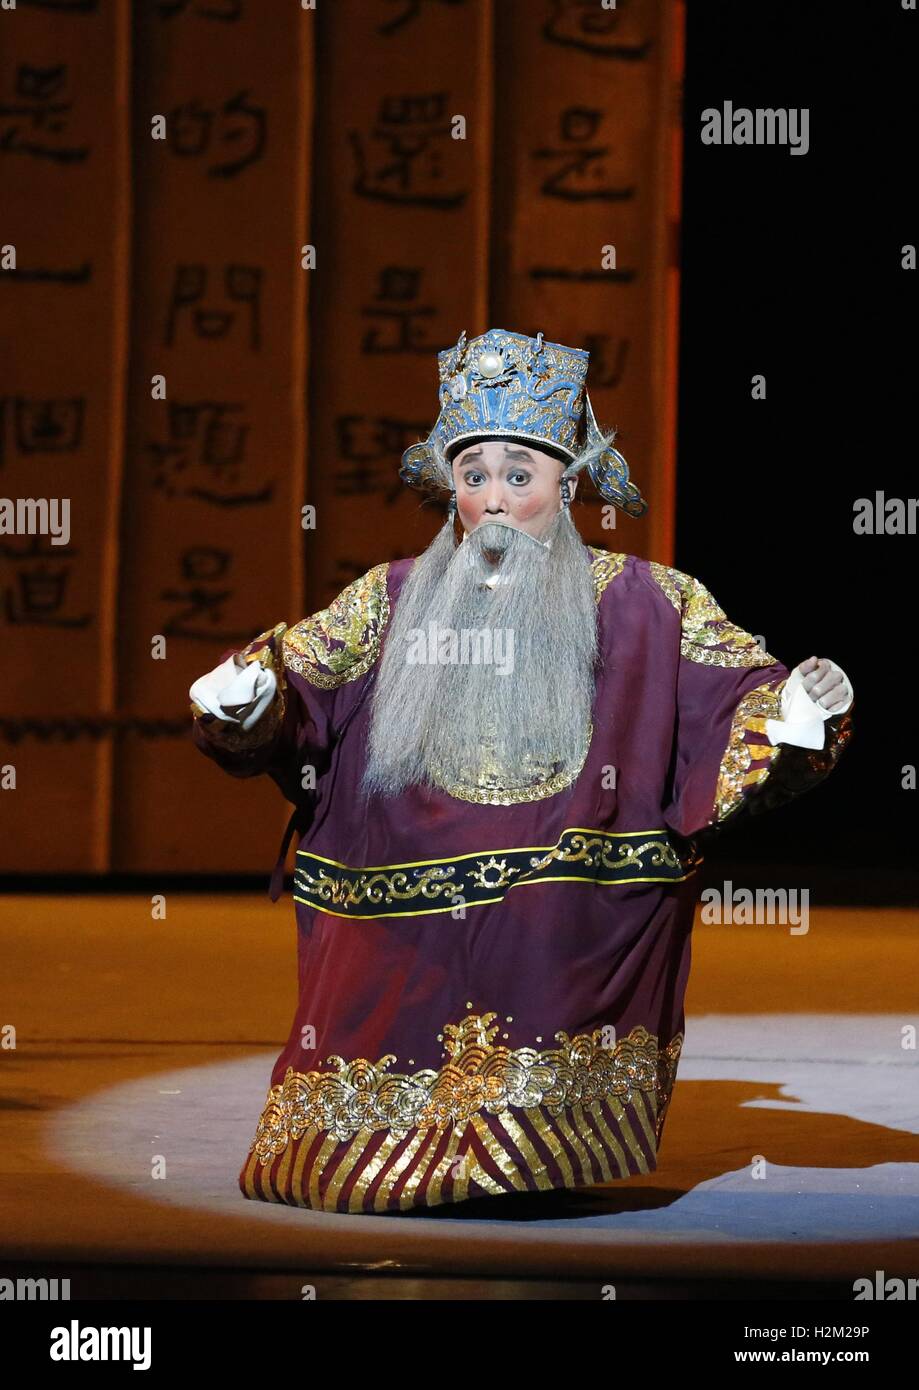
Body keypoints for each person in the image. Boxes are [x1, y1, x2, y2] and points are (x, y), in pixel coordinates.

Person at [189, 328, 854, 1215]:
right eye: (473, 478)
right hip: (402, 882)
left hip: (567, 879)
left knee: (555, 919)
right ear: (449, 489)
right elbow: (302, 678)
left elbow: (734, 692)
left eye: (518, 476)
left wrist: (797, 707)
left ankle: (534, 1150)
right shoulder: (390, 595)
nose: (493, 501)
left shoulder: (650, 600)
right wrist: (250, 693)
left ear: (565, 484)